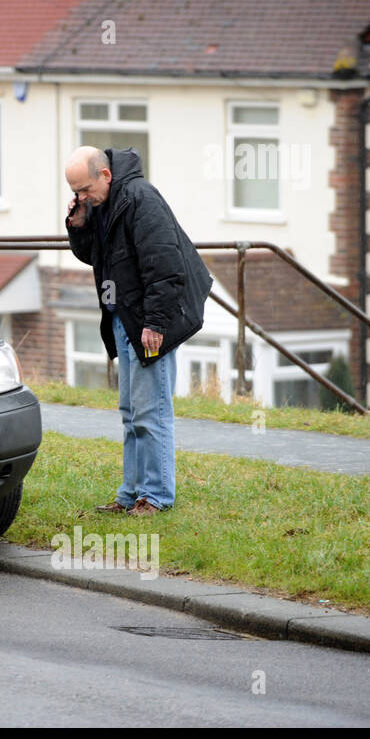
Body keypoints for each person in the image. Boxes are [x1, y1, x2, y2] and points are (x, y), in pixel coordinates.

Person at [64, 146, 212, 516]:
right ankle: (131, 494)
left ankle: (156, 496)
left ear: (105, 175)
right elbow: (92, 255)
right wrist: (78, 223)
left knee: (152, 412)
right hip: (123, 315)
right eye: (75, 192)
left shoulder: (141, 199)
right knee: (131, 412)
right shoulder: (102, 204)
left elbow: (166, 265)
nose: (81, 197)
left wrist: (155, 324)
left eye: (83, 190)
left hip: (148, 320)